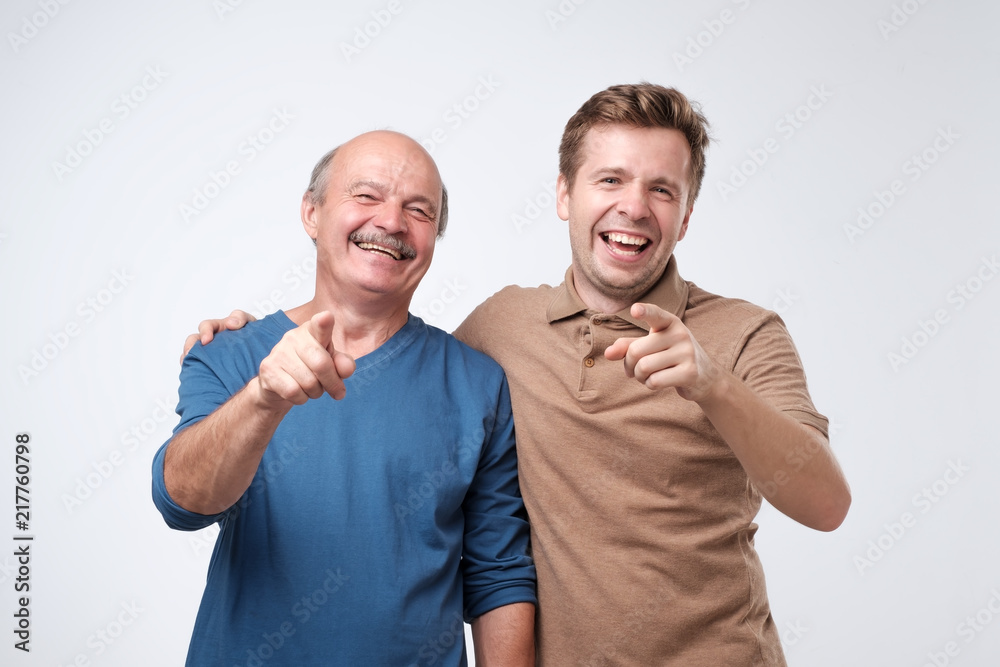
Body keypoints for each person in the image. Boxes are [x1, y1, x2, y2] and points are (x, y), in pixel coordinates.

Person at [189, 84, 851, 665]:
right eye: (610, 179)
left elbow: (827, 504)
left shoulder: (746, 333)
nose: (634, 207)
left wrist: (714, 384)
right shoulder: (502, 329)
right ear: (566, 195)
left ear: (687, 213)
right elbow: (392, 361)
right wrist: (254, 336)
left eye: (662, 189)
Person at [152, 130, 536, 666]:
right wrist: (263, 397)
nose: (392, 221)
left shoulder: (478, 382)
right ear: (312, 213)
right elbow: (182, 502)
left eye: (419, 210)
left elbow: (498, 573)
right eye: (367, 195)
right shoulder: (229, 353)